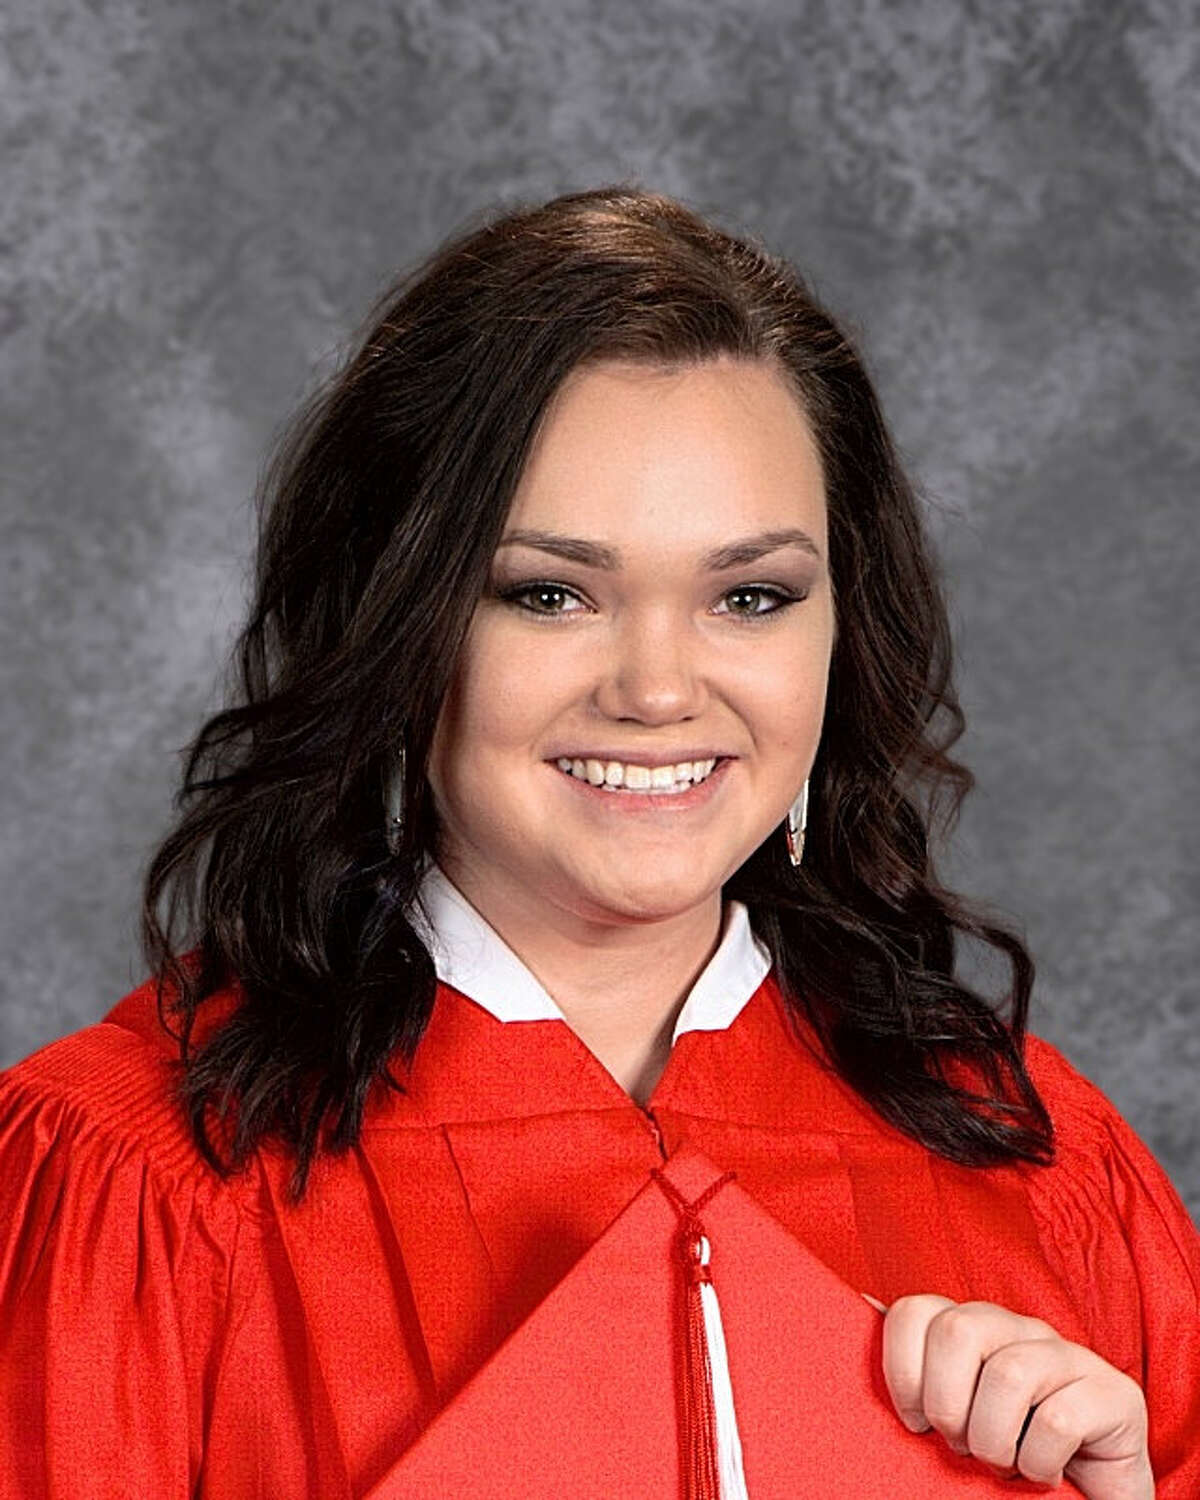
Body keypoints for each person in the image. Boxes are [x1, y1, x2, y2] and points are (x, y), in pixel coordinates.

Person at [0, 185, 1195, 1500]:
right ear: (399, 623)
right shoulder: (135, 1188)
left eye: (750, 595)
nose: (660, 686)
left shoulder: (1047, 1175)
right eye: (549, 593)